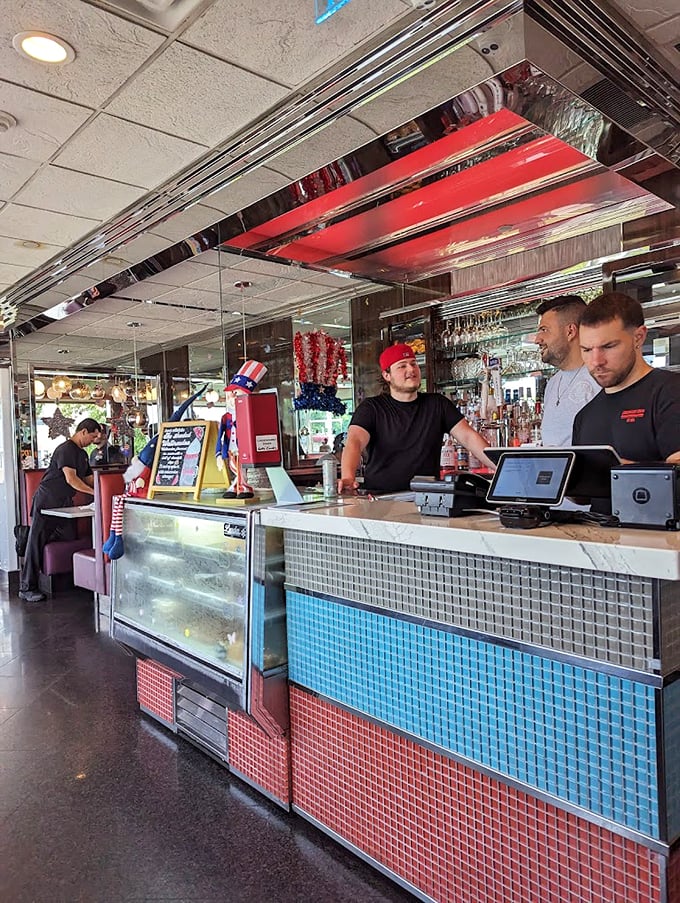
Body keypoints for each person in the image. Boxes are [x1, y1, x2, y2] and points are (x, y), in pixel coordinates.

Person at [340, 344, 494, 493]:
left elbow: (469, 438)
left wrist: (503, 467)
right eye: (402, 366)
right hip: (381, 498)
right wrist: (348, 476)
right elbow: (355, 442)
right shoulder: (372, 408)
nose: (411, 369)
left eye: (414, 364)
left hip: (427, 497)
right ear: (387, 375)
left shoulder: (437, 404)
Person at [572, 291, 680, 464]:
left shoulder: (670, 393)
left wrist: (620, 471)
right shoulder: (584, 417)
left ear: (638, 337)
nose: (596, 361)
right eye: (586, 350)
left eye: (608, 346)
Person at [18, 418, 101, 603]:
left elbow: (87, 478)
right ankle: (27, 587)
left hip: (64, 502)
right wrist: (96, 493)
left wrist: (104, 487)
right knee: (36, 542)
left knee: (70, 536)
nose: (94, 440)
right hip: (47, 500)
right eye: (93, 436)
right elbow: (71, 479)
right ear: (83, 432)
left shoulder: (82, 454)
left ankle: (33, 535)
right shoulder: (66, 449)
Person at [534, 295, 600, 447]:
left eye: (544, 330)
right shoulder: (552, 384)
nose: (537, 339)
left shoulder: (599, 379)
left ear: (570, 331)